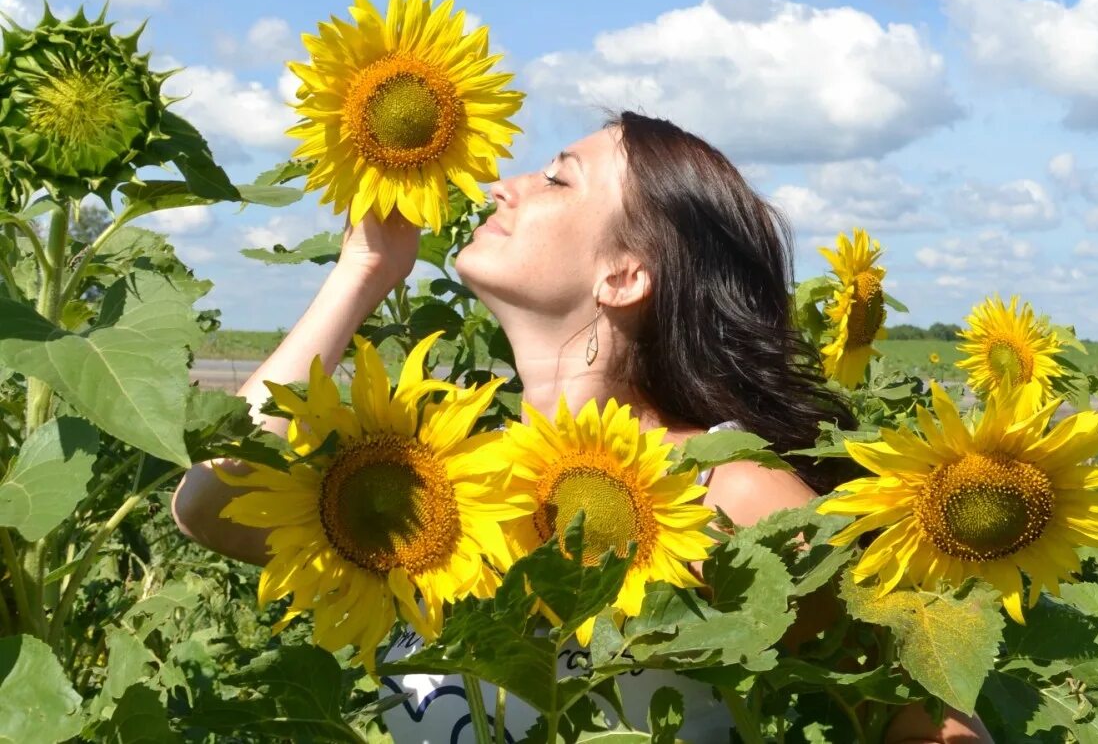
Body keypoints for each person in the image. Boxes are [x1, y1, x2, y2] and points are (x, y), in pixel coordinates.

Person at [171, 111, 992, 743]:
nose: (505, 184)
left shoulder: (716, 485)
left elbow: (916, 702)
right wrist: (365, 269)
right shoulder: (439, 487)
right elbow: (211, 502)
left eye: (559, 179)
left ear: (625, 274)